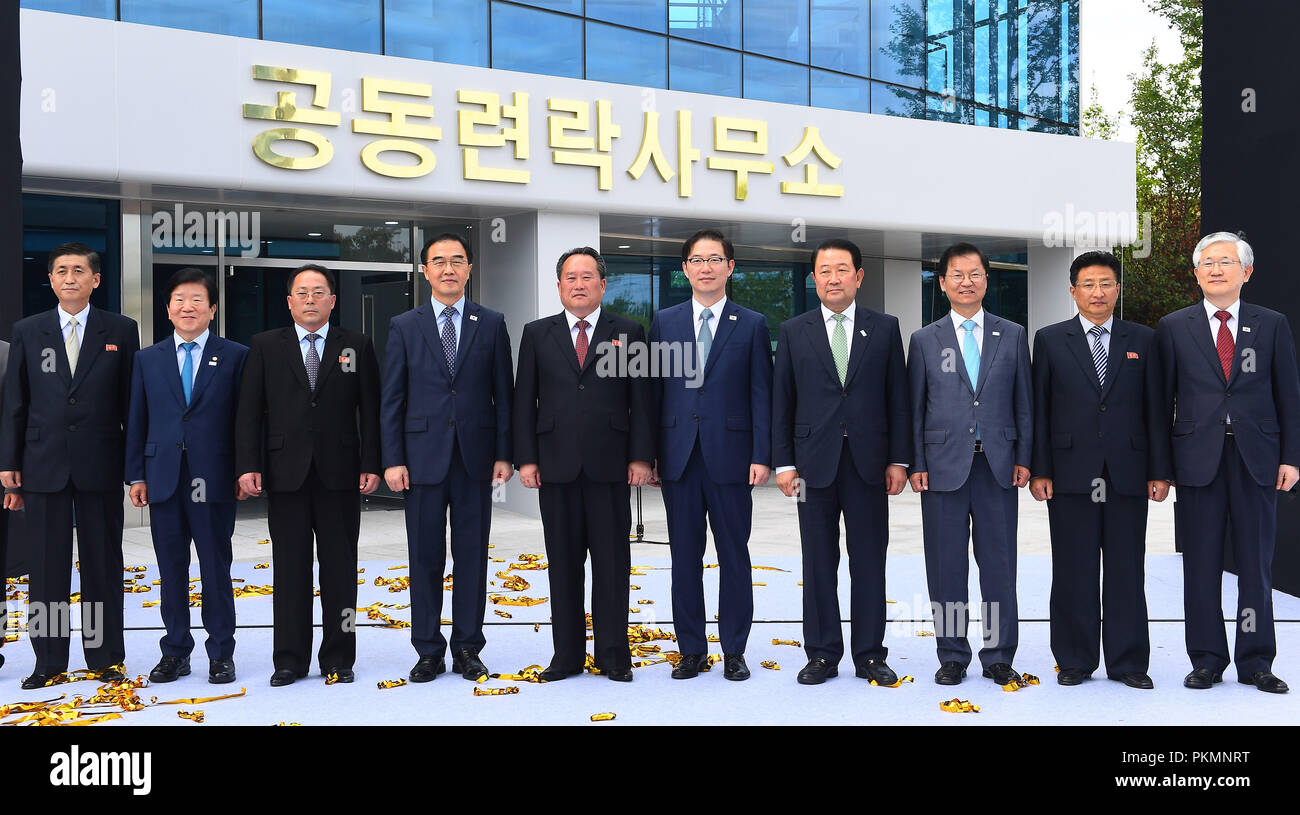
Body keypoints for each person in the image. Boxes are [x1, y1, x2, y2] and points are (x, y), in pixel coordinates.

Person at [1154, 231, 1299, 694]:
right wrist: (1160, 466)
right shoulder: (1174, 326)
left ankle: (1256, 661)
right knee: (1200, 564)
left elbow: (1288, 396)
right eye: (1208, 263)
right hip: (1196, 461)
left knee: (1256, 566)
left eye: (1226, 262)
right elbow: (1160, 403)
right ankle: (1207, 659)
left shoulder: (1271, 324)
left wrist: (1291, 458)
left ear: (1246, 272)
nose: (1217, 269)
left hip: (1257, 459)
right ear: (1197, 274)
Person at [1029, 250, 1171, 690]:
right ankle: (1074, 658)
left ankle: (1129, 661)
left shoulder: (1144, 340)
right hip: (1070, 472)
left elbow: (1156, 409)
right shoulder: (1050, 339)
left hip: (1128, 472)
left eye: (1105, 283)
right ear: (1072, 291)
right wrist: (1040, 470)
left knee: (1128, 568)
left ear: (1118, 289)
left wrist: (1160, 470)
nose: (1097, 292)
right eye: (1087, 284)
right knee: (1073, 568)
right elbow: (1041, 410)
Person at [0, 242, 139, 689]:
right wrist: (9, 462)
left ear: (96, 279)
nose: (70, 278)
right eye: (61, 270)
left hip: (100, 463)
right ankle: (49, 661)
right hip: (42, 465)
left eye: (79, 270)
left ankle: (104, 658)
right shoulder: (29, 330)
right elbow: (15, 404)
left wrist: (133, 466)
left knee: (102, 564)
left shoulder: (121, 329)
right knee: (46, 568)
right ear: (51, 279)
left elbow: (131, 406)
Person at [235, 263, 381, 686]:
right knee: (290, 570)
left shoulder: (355, 344)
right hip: (285, 476)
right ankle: (289, 659)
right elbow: (249, 413)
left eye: (319, 292)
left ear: (333, 300)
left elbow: (369, 411)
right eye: (303, 292)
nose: (311, 299)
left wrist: (371, 463)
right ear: (289, 301)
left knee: (341, 571)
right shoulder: (265, 345)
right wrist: (248, 465)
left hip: (341, 474)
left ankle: (340, 655)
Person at [513, 247, 654, 683]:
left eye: (587, 277)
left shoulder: (628, 331)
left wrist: (641, 457)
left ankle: (614, 655)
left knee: (613, 564)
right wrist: (526, 459)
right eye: (570, 277)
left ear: (602, 285)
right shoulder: (537, 334)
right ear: (558, 286)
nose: (579, 284)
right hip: (554, 466)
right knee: (563, 565)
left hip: (611, 467)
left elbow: (641, 402)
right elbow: (523, 402)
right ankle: (567, 656)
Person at [773, 238, 910, 685]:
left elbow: (899, 400)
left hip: (870, 463)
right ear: (814, 279)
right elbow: (783, 402)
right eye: (824, 271)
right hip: (812, 465)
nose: (833, 278)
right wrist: (784, 464)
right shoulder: (794, 331)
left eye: (842, 269)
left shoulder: (885, 328)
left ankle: (870, 654)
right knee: (818, 560)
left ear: (859, 276)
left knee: (869, 559)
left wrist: (898, 460)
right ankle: (822, 653)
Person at [382, 233, 513, 683]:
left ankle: (467, 649)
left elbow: (505, 395)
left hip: (477, 459)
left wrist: (504, 453)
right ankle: (428, 651)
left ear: (470, 269)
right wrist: (392, 459)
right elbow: (392, 399)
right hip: (420, 460)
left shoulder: (491, 322)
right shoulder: (404, 324)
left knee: (472, 555)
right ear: (425, 271)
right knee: (425, 556)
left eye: (458, 260)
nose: (448, 269)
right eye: (439, 261)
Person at [908, 242, 1031, 687]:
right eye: (956, 275)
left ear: (986, 279)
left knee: (999, 565)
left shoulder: (1012, 334)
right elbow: (915, 407)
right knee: (946, 566)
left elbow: (1024, 404)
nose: (966, 281)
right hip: (941, 468)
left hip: (998, 466)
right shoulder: (924, 340)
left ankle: (998, 654)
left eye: (975, 273)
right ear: (942, 284)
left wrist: (1024, 457)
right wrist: (916, 461)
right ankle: (953, 654)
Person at [650, 229, 772, 682]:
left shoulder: (753, 323)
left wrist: (763, 455)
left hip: (733, 458)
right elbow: (655, 393)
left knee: (733, 557)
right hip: (678, 457)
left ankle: (735, 650)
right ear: (685, 269)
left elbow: (763, 394)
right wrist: (650, 454)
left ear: (730, 267)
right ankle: (692, 651)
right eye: (697, 259)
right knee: (684, 558)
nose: (706, 267)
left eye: (715, 259)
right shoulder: (665, 321)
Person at [125, 268, 248, 685]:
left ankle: (221, 653)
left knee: (216, 567)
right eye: (179, 299)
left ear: (212, 308)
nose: (187, 306)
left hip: (213, 478)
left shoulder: (235, 355)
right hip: (162, 479)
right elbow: (137, 419)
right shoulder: (147, 358)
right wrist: (135, 475)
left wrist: (244, 470)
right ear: (167, 309)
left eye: (197, 299)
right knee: (171, 568)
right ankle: (175, 651)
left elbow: (243, 421)